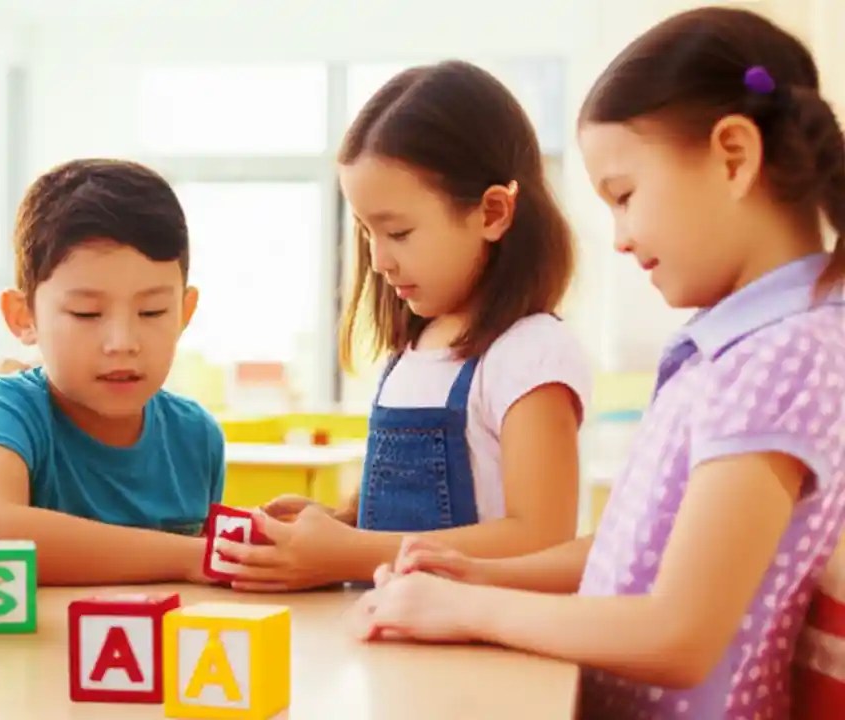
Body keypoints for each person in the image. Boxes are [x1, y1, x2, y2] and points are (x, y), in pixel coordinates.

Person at [350, 9, 845, 719]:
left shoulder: (783, 353)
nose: (616, 237)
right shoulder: (735, 347)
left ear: (733, 157)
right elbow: (631, 555)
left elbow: (679, 633)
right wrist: (485, 573)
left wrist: (470, 607)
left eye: (625, 196)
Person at [219, 61, 590, 592]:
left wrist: (349, 553)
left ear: (492, 213)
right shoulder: (415, 348)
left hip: (486, 650)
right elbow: (405, 526)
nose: (377, 260)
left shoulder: (530, 354)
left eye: (398, 231)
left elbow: (541, 540)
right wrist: (338, 524)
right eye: (367, 231)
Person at [0, 159, 224, 585]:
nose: (122, 342)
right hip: (32, 653)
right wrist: (191, 556)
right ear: (23, 317)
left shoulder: (196, 436)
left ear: (185, 312)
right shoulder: (6, 410)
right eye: (86, 313)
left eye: (152, 311)